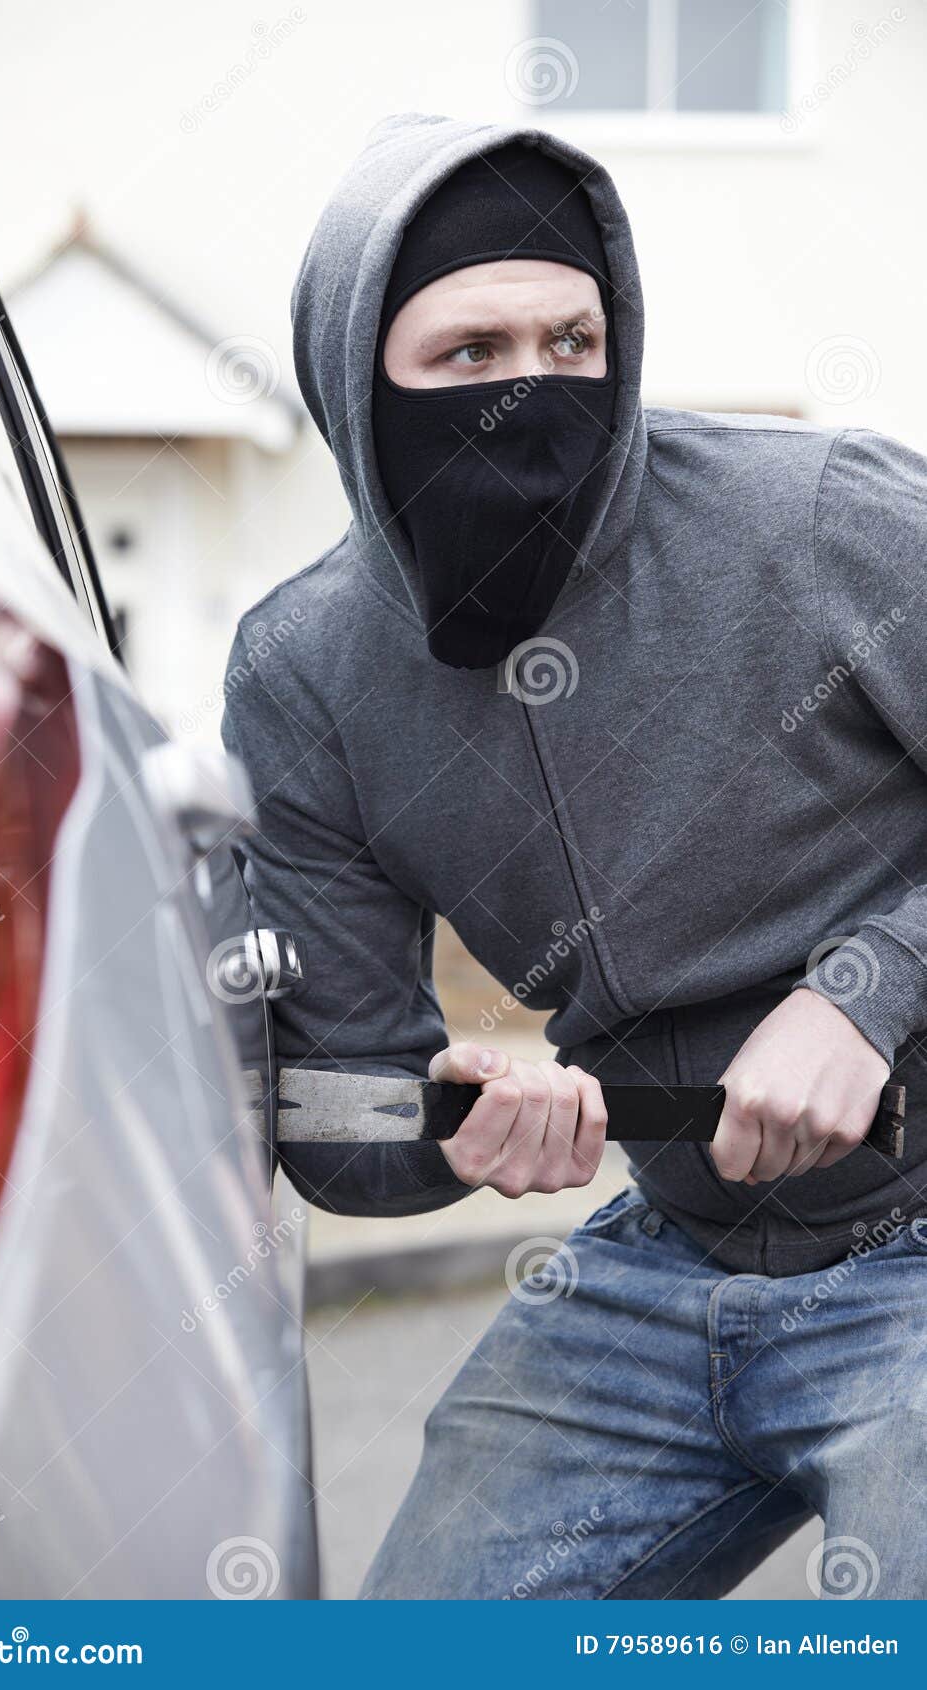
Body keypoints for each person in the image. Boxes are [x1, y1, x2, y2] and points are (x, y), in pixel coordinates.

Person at [222, 114, 927, 1599]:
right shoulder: (304, 673)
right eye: (471, 353)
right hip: (664, 1254)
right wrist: (452, 1124)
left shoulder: (827, 518)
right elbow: (341, 1101)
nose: (531, 390)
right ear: (359, 381)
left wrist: (867, 990)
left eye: (572, 341)